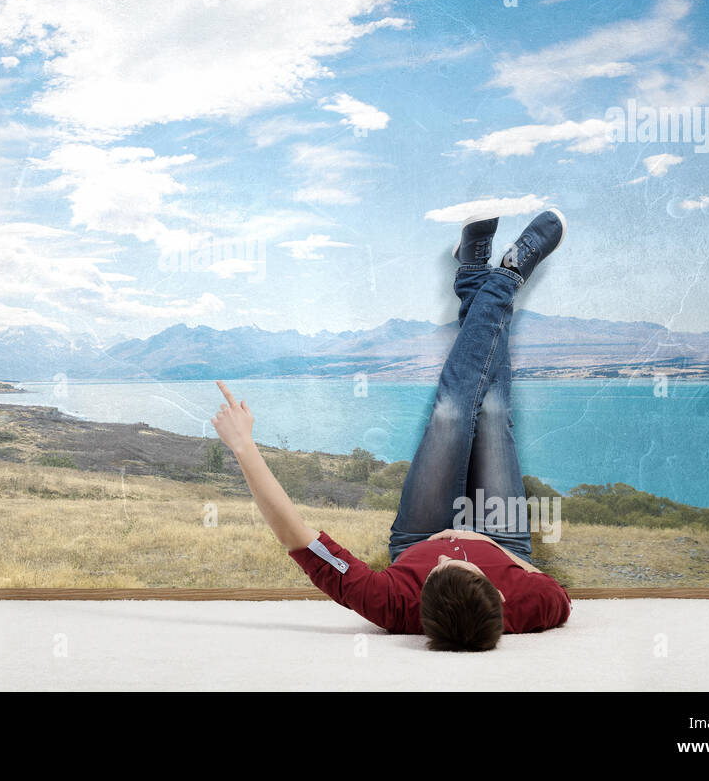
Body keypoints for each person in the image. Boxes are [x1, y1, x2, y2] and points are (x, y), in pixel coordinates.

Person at [211, 209, 572, 651]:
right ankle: (486, 276)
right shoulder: (529, 606)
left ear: (419, 604)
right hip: (503, 538)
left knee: (452, 416)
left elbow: (297, 539)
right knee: (493, 412)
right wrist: (496, 550)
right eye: (457, 564)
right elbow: (559, 595)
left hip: (419, 532)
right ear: (499, 597)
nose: (449, 550)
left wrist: (243, 445)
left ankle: (499, 274)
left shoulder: (392, 604)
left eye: (437, 568)